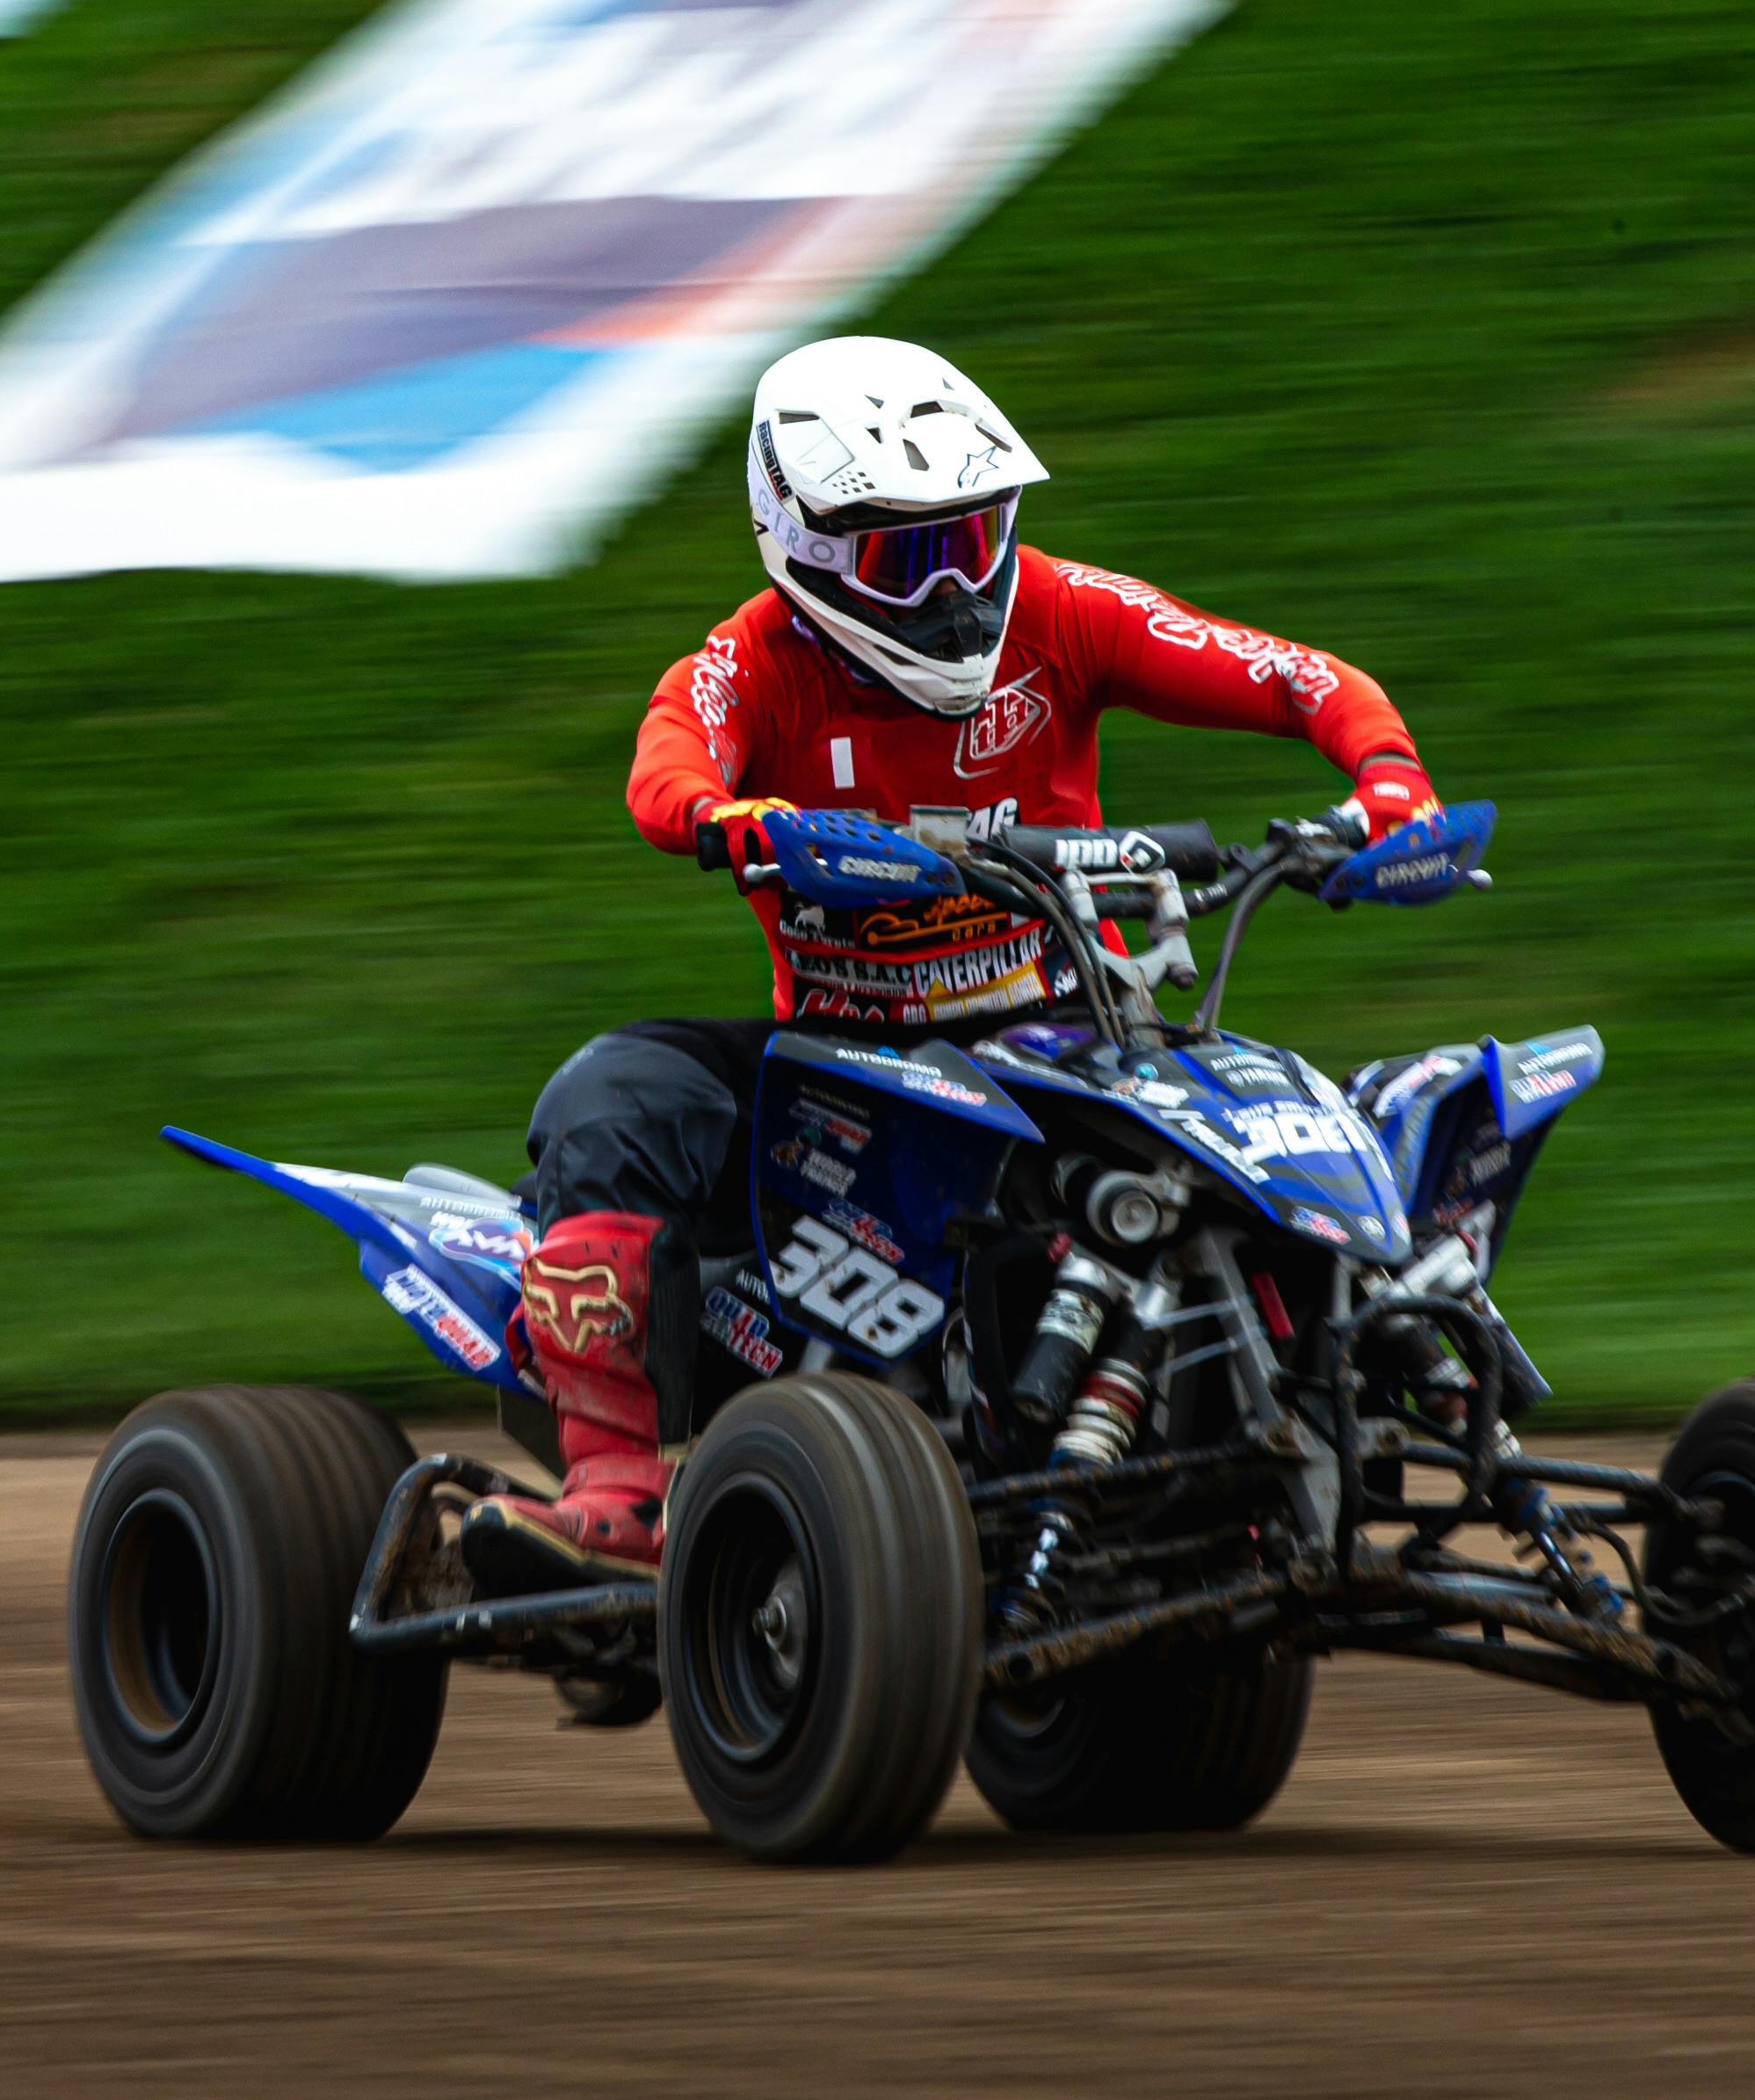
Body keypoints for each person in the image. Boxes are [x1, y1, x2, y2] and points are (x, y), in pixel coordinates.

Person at [461, 334, 1447, 1588]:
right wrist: (745, 824)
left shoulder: (1066, 610)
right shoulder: (751, 659)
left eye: (974, 539)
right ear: (805, 546)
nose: (955, 589)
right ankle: (615, 1493)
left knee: (1309, 1141)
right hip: (843, 1061)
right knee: (610, 1095)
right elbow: (665, 776)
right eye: (907, 557)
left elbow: (1300, 677)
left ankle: (1355, 1394)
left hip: (1075, 1038)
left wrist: (1391, 784)